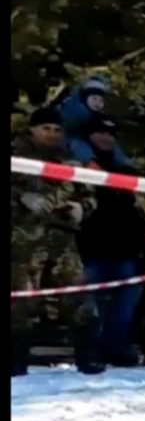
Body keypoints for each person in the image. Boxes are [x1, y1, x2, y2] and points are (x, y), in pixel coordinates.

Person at [73, 115, 145, 372]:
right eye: (100, 133)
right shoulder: (80, 165)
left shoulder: (123, 165)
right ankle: (92, 350)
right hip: (93, 248)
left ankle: (116, 348)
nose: (106, 138)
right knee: (93, 303)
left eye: (110, 134)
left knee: (125, 304)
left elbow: (134, 211)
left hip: (126, 252)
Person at [12, 108, 94, 377]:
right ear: (32, 130)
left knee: (77, 295)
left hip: (63, 238)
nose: (52, 134)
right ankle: (15, 362)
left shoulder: (71, 162)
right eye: (46, 128)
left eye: (57, 130)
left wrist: (81, 208)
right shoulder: (16, 157)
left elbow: (89, 195)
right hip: (22, 241)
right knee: (22, 303)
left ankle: (88, 360)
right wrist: (20, 198)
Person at [59, 76, 134, 168]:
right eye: (94, 99)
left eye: (101, 100)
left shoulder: (100, 116)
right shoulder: (76, 110)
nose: (97, 103)